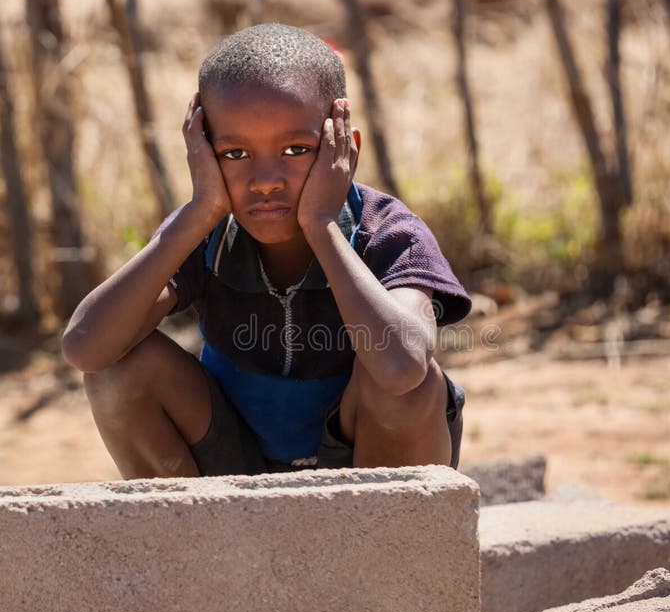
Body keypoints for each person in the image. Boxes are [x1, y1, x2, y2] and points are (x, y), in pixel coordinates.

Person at [62, 24, 471, 479]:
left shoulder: (388, 234)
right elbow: (86, 348)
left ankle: (375, 548)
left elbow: (401, 370)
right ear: (203, 153)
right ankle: (189, 542)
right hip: (235, 471)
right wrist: (200, 212)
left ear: (344, 150)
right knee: (119, 370)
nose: (266, 180)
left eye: (296, 149)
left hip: (363, 473)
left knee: (411, 387)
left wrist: (321, 227)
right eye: (235, 154)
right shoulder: (204, 235)